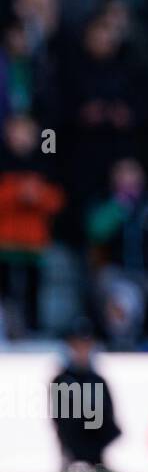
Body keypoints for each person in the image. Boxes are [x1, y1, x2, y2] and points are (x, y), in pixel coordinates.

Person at [86, 157, 148, 348]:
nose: (128, 179)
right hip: (116, 270)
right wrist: (118, 208)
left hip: (147, 271)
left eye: (132, 174)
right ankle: (119, 342)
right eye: (122, 174)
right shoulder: (104, 202)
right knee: (113, 291)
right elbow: (96, 231)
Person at [0, 114, 65, 335]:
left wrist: (38, 195)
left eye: (27, 132)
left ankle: (32, 331)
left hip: (34, 243)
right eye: (17, 132)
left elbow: (57, 200)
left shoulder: (45, 160)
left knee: (33, 291)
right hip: (5, 242)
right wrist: (18, 192)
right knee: (6, 291)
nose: (22, 137)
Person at [50, 317, 122, 472]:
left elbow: (108, 420)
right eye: (78, 346)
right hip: (73, 458)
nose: (82, 350)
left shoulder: (98, 381)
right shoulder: (62, 381)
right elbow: (63, 423)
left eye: (86, 345)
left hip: (98, 458)